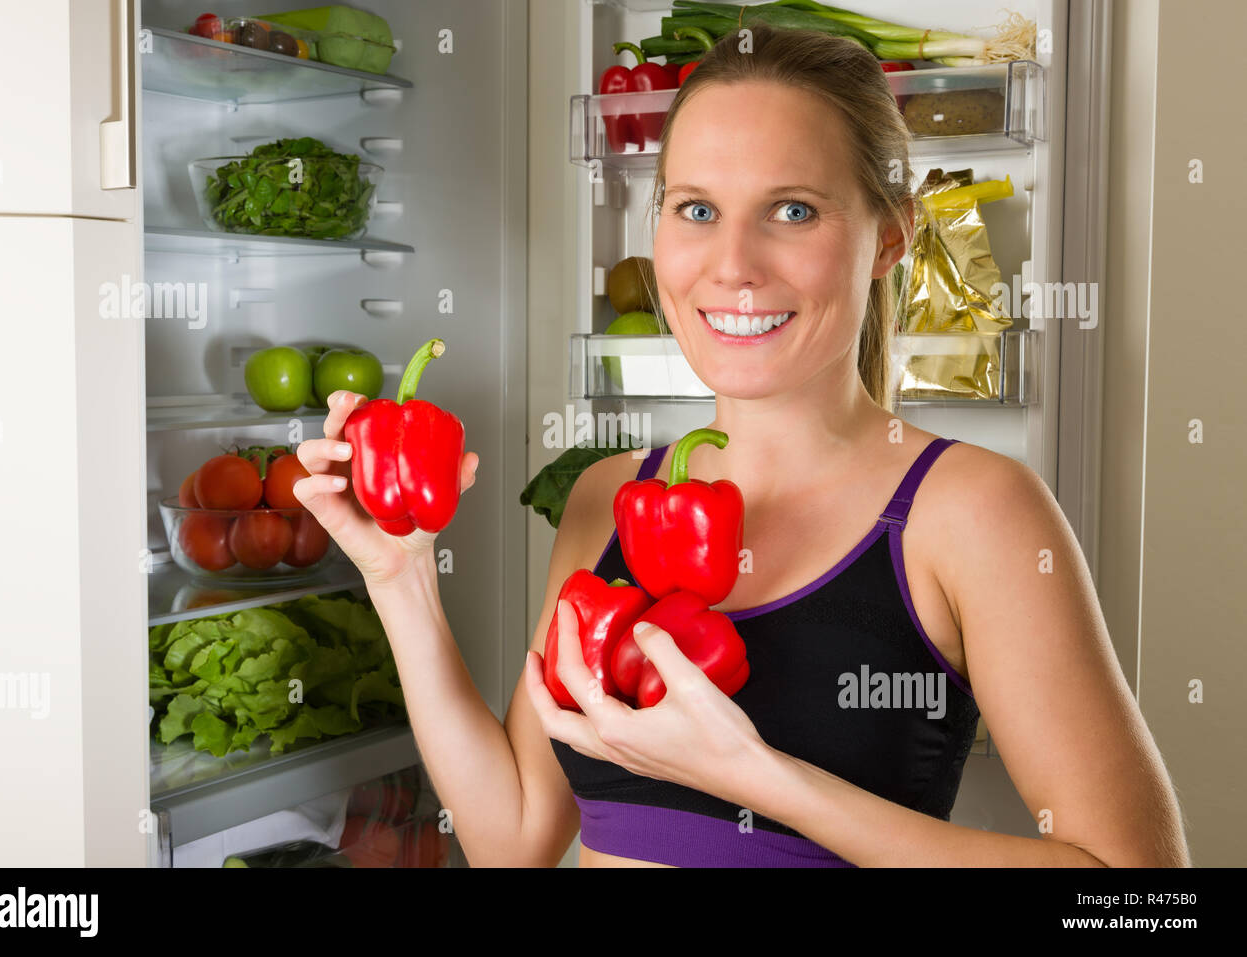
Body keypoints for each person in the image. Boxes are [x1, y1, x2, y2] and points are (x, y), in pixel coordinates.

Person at [293, 23, 1189, 867]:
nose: (732, 265)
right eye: (695, 209)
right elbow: (514, 837)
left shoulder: (971, 510)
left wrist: (764, 779)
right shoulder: (608, 496)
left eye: (793, 210)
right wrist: (401, 579)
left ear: (890, 237)